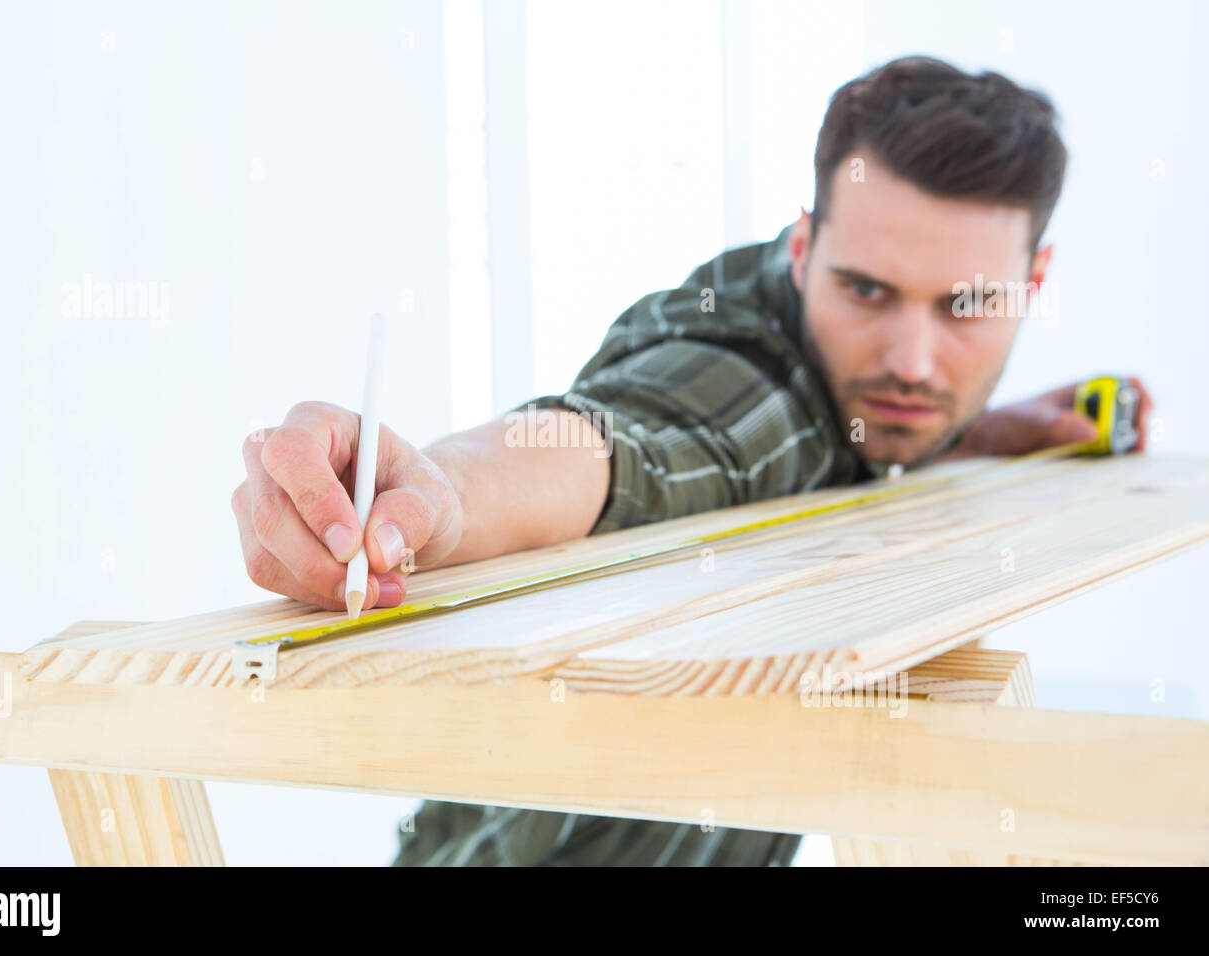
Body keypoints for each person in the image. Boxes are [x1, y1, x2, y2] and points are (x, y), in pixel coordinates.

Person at [229, 55, 1152, 866]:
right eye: (866, 290)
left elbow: (849, 437)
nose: (913, 362)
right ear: (802, 248)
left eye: (965, 308)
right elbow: (633, 437)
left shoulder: (870, 397)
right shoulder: (742, 376)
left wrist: (978, 428)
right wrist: (440, 492)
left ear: (1033, 283)